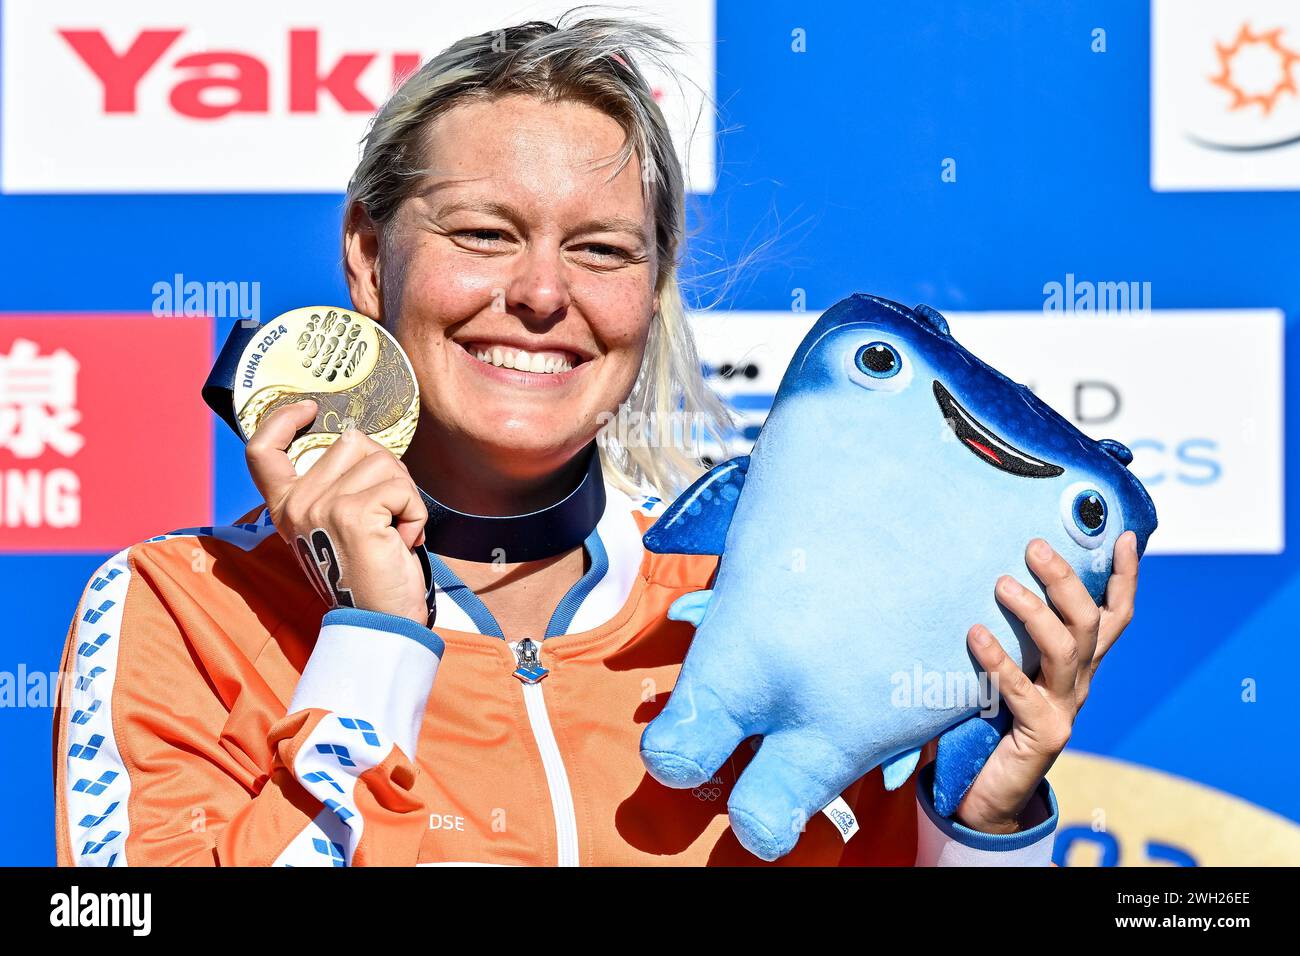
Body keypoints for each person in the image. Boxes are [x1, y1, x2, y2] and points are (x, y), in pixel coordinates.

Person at [52, 14, 1140, 867]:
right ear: (367, 254)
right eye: (483, 234)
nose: (539, 294)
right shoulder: (181, 604)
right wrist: (374, 644)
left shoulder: (766, 610)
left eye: (602, 249)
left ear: (654, 288)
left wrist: (987, 814)